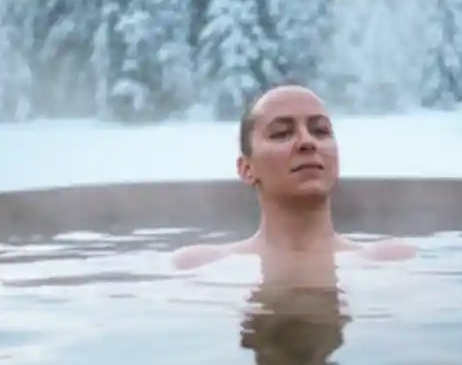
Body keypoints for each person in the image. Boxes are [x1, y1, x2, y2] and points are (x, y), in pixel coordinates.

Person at [171, 84, 416, 271]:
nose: (308, 142)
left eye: (320, 131)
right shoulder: (199, 265)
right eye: (281, 133)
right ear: (247, 169)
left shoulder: (394, 260)